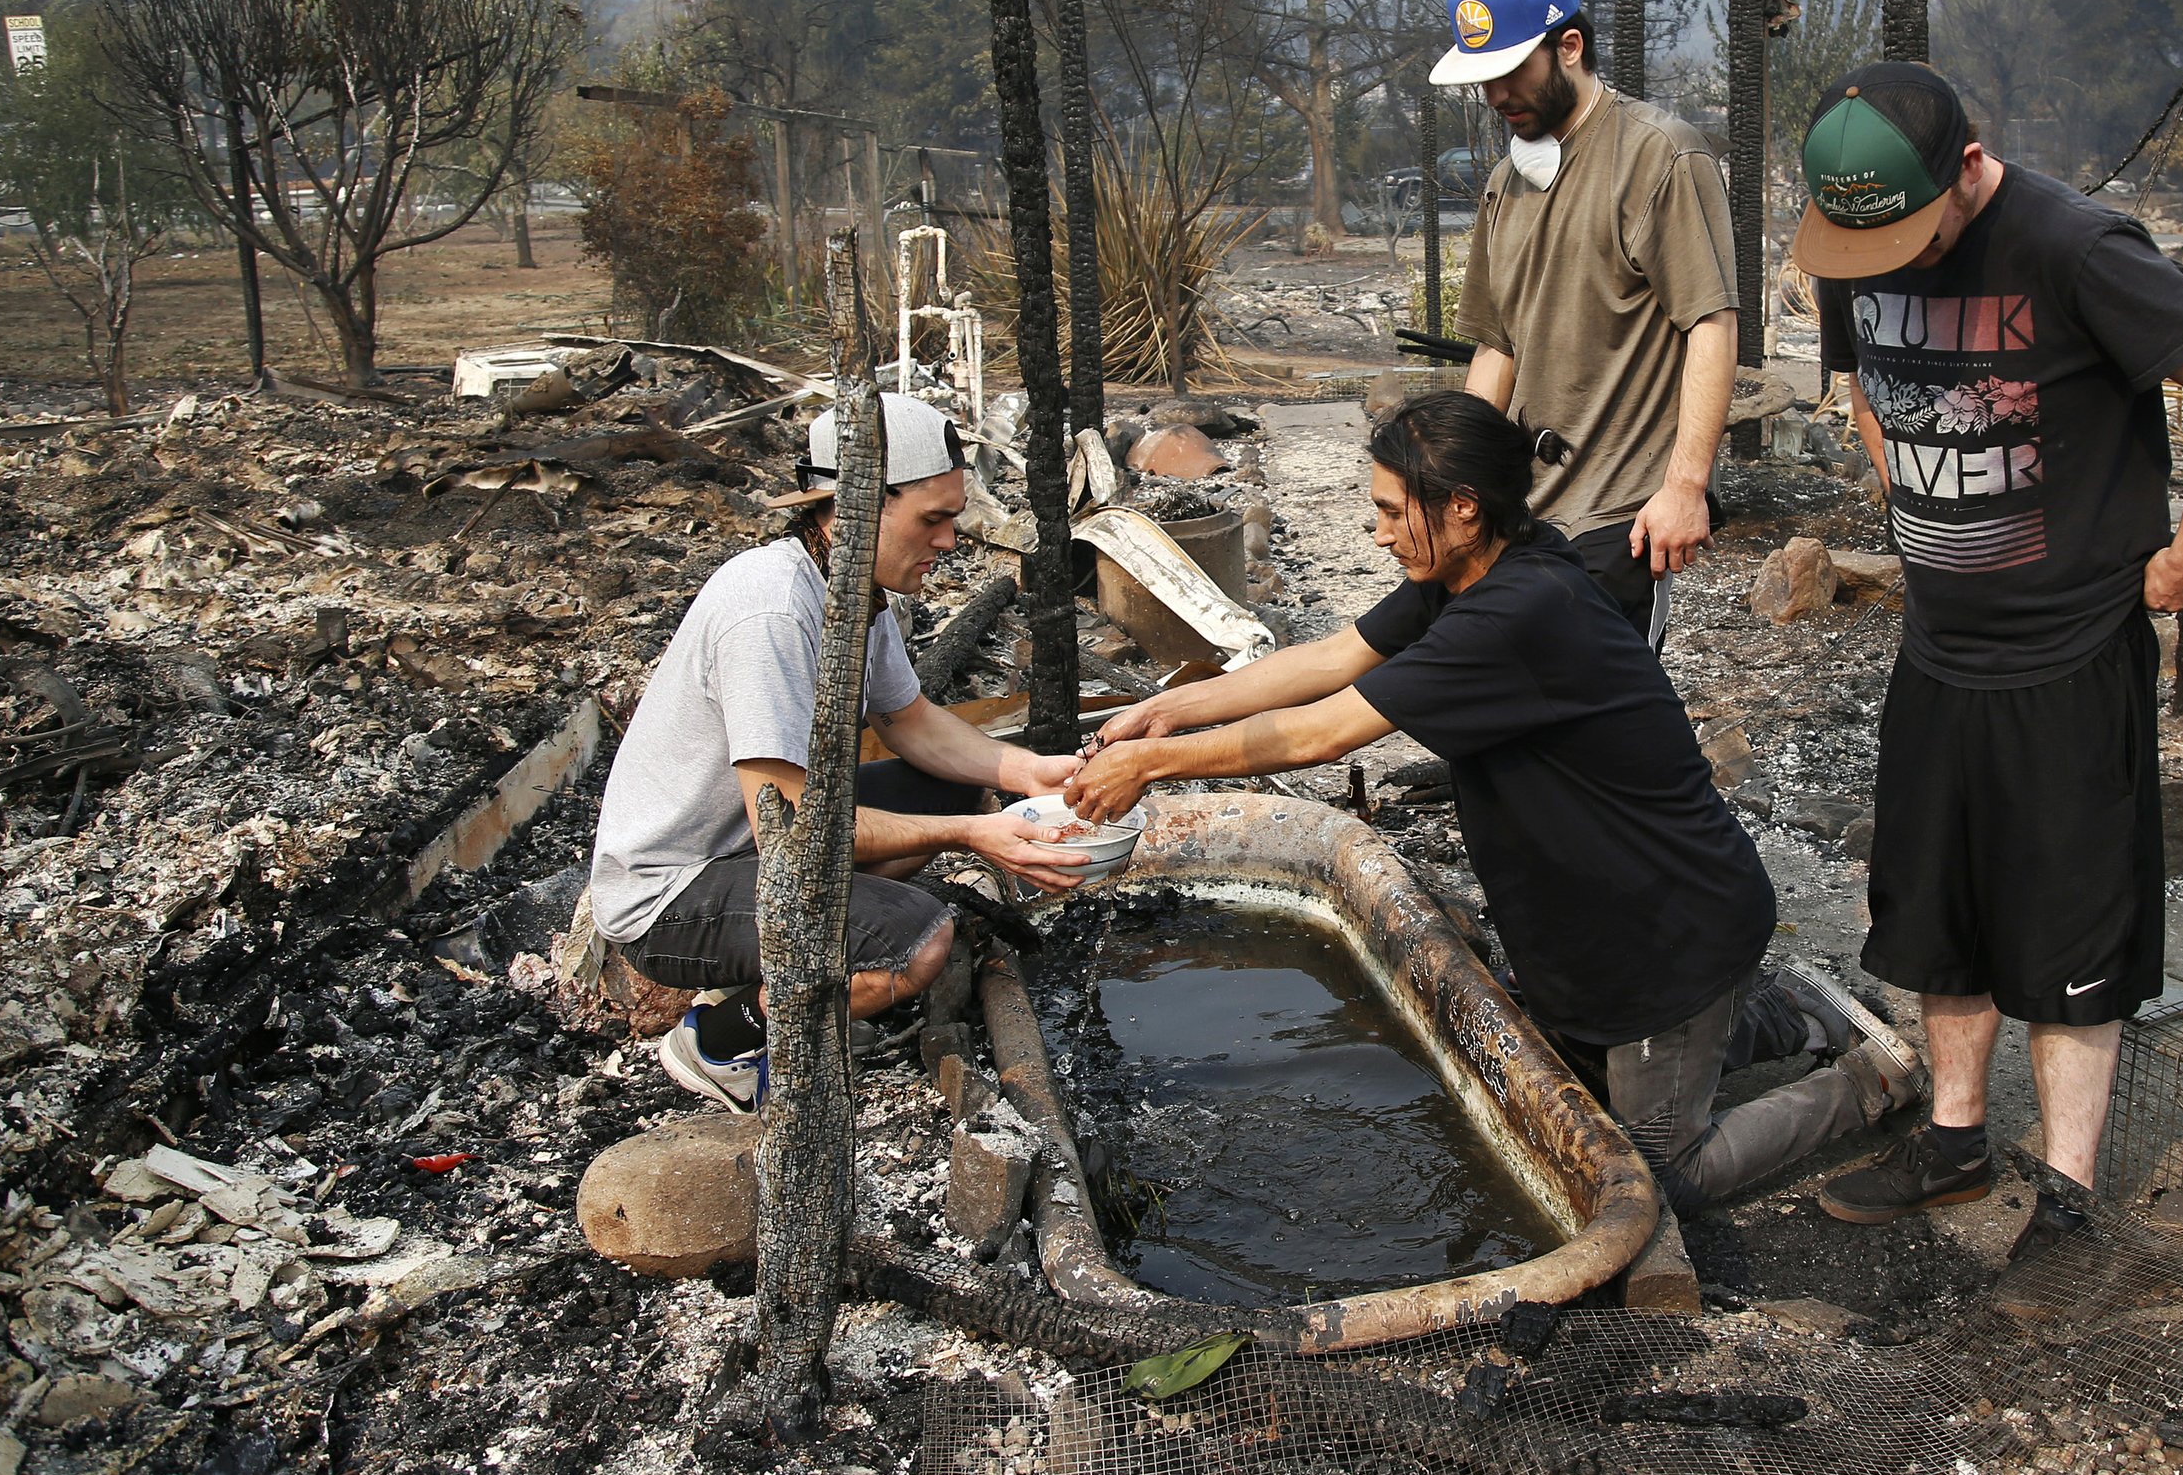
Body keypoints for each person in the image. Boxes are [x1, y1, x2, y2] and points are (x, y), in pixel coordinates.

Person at [1063, 391, 1921, 1213]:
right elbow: (1329, 658)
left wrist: (1151, 766)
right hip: (1595, 927)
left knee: (1661, 1174)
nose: (1379, 530)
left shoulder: (1517, 614)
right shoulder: (1476, 569)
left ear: (1465, 506)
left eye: (1395, 510)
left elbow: (1316, 735)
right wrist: (1166, 707)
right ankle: (1791, 1010)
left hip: (1666, 933)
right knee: (1570, 1079)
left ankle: (1870, 1078)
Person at [1790, 63, 2183, 1251]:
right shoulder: (1856, 245)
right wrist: (1904, 475)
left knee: (2069, 933)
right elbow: (1862, 383)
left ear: (1969, 163)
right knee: (1935, 910)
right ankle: (1956, 1141)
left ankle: (2065, 1193)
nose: (1892, 261)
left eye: (1914, 230)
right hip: (1939, 649)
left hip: (2068, 657)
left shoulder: (2075, 246)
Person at [588, 394, 1093, 1110]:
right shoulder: (770, 610)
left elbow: (911, 721)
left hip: (749, 855)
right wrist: (975, 836)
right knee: (919, 942)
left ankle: (776, 972)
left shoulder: (854, 587)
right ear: (855, 506)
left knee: (949, 789)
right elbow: (793, 831)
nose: (949, 541)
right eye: (933, 519)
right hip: (669, 892)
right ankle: (722, 1038)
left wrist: (1028, 772)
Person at [1428, 0, 1739, 646]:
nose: (1497, 95)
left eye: (1514, 70)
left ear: (1570, 46)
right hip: (1523, 514)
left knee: (1600, 725)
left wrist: (1686, 487)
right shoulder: (1505, 183)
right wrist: (1459, 487)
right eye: (1485, 78)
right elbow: (1495, 346)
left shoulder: (1660, 157)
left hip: (1620, 519)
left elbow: (1710, 324)